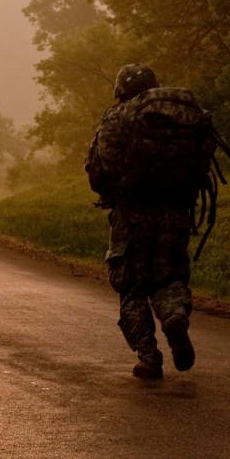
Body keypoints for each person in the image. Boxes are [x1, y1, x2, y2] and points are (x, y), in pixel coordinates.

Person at [84, 64, 207, 380]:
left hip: (132, 217)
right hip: (176, 212)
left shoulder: (115, 118)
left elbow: (96, 171)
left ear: (120, 89)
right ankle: (174, 316)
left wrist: (116, 190)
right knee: (169, 276)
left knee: (132, 287)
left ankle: (149, 359)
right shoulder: (180, 116)